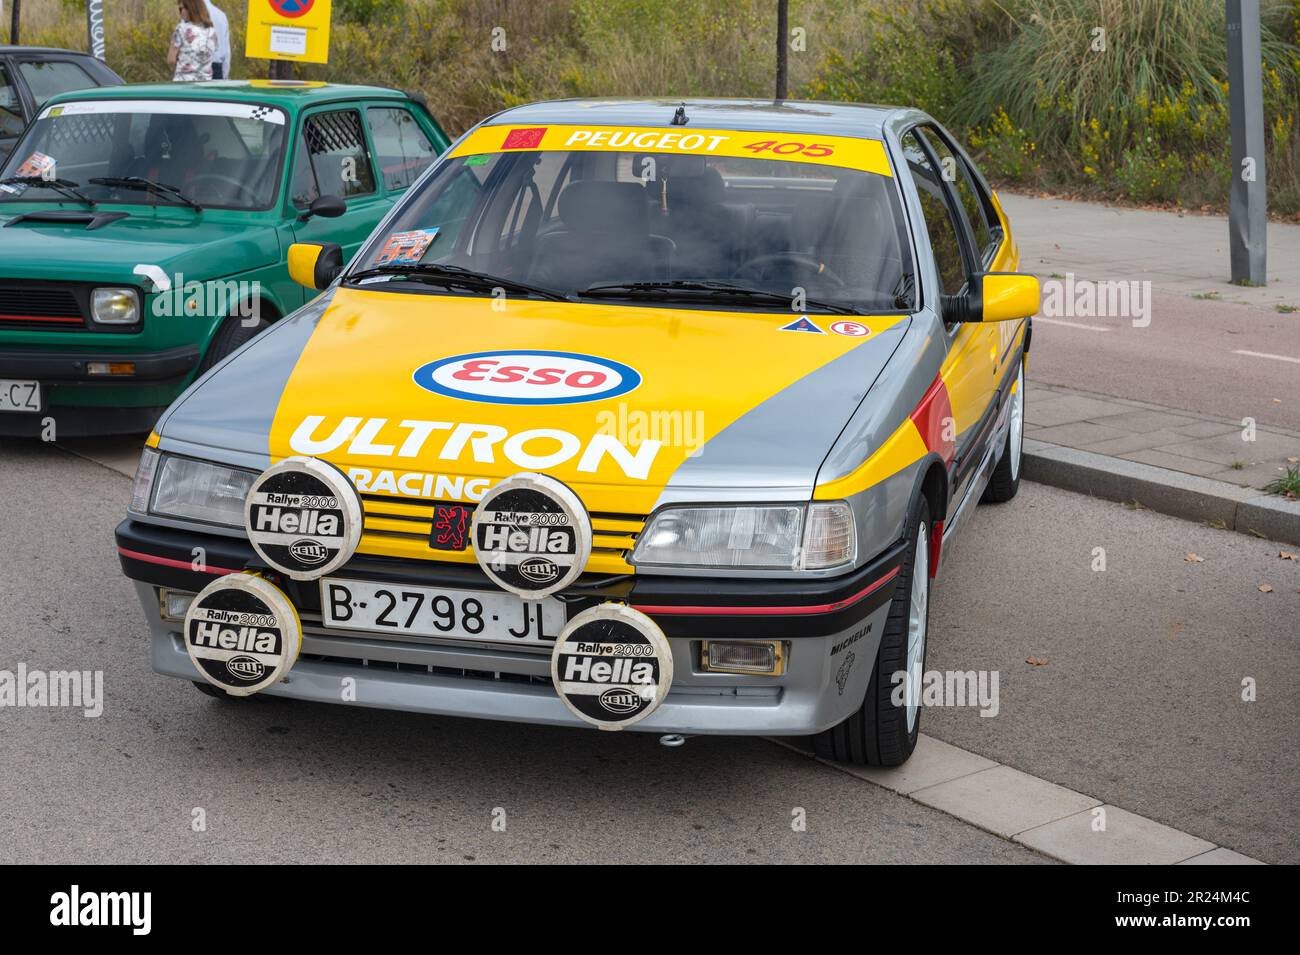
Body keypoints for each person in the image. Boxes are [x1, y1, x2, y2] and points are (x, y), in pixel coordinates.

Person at [167, 0, 217, 83]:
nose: (180, 12)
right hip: (205, 83)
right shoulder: (212, 31)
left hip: (183, 83)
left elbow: (171, 59)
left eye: (181, 9)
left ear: (190, 9)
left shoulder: (181, 28)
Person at [205, 1, 231, 80]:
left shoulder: (190, 14)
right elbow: (226, 51)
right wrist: (224, 76)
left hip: (195, 68)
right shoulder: (221, 15)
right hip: (217, 68)